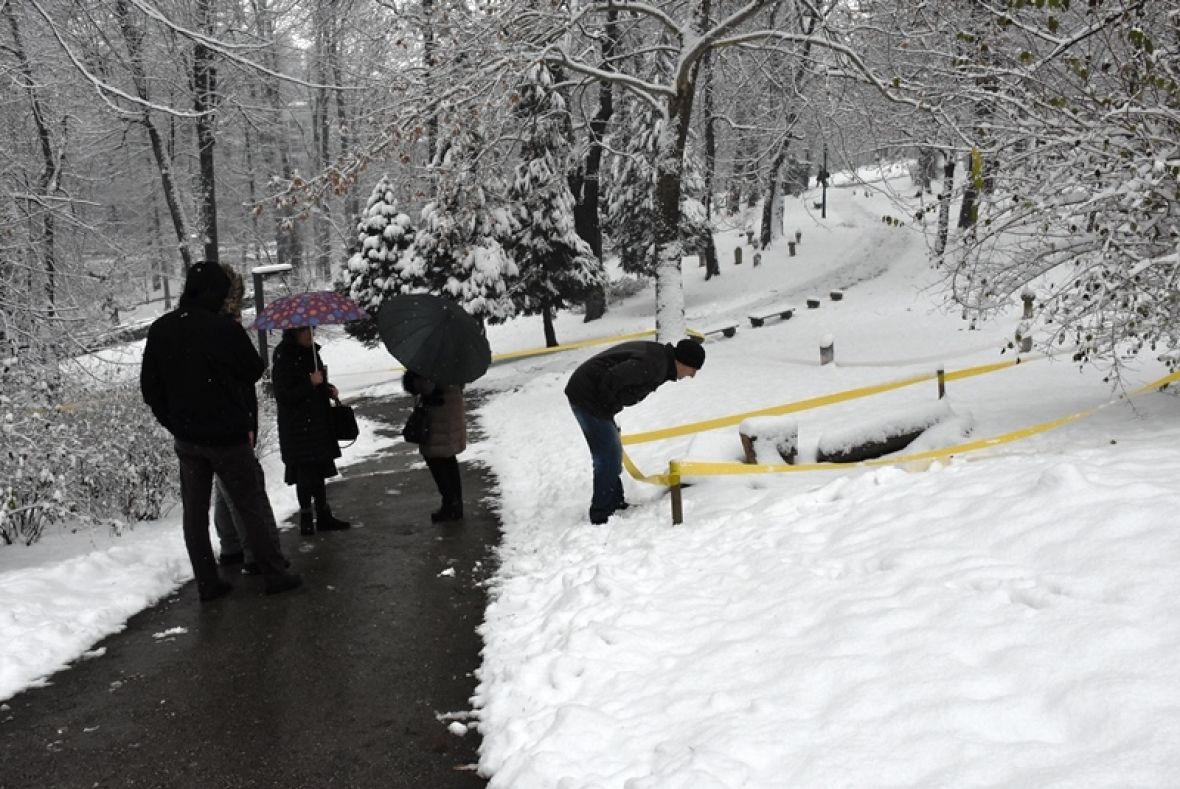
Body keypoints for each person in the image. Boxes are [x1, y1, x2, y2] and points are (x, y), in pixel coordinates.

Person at [140, 261, 303, 600]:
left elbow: (150, 389)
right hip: (227, 436)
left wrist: (176, 422)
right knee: (250, 505)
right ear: (217, 293)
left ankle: (207, 583)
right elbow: (254, 370)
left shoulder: (161, 329)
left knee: (194, 515)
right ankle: (274, 574)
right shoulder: (221, 329)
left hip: (187, 440)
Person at [565, 338, 705, 524]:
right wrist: (607, 407)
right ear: (682, 362)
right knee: (607, 456)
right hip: (587, 395)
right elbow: (614, 377)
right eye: (693, 370)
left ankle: (614, 502)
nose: (692, 375)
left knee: (612, 453)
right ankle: (601, 514)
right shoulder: (655, 364)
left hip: (592, 393)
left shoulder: (660, 359)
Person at [212, 264, 286, 572]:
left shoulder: (201, 332)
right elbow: (250, 371)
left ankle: (231, 547)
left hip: (213, 426)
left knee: (225, 488)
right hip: (234, 424)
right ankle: (262, 554)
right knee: (247, 491)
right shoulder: (225, 333)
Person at [271, 326, 351, 535]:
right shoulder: (283, 356)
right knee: (304, 473)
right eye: (304, 330)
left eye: (311, 329)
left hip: (318, 422)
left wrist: (327, 388)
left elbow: (318, 383)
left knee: (319, 470)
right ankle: (306, 516)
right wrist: (310, 383)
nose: (309, 334)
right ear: (293, 333)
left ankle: (324, 515)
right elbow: (283, 395)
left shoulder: (313, 353)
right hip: (297, 426)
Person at [403, 370, 467, 522]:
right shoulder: (452, 363)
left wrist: (411, 378)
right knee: (449, 459)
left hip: (437, 418)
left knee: (436, 461)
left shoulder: (430, 365)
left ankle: (450, 505)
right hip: (451, 412)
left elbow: (425, 387)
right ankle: (456, 505)